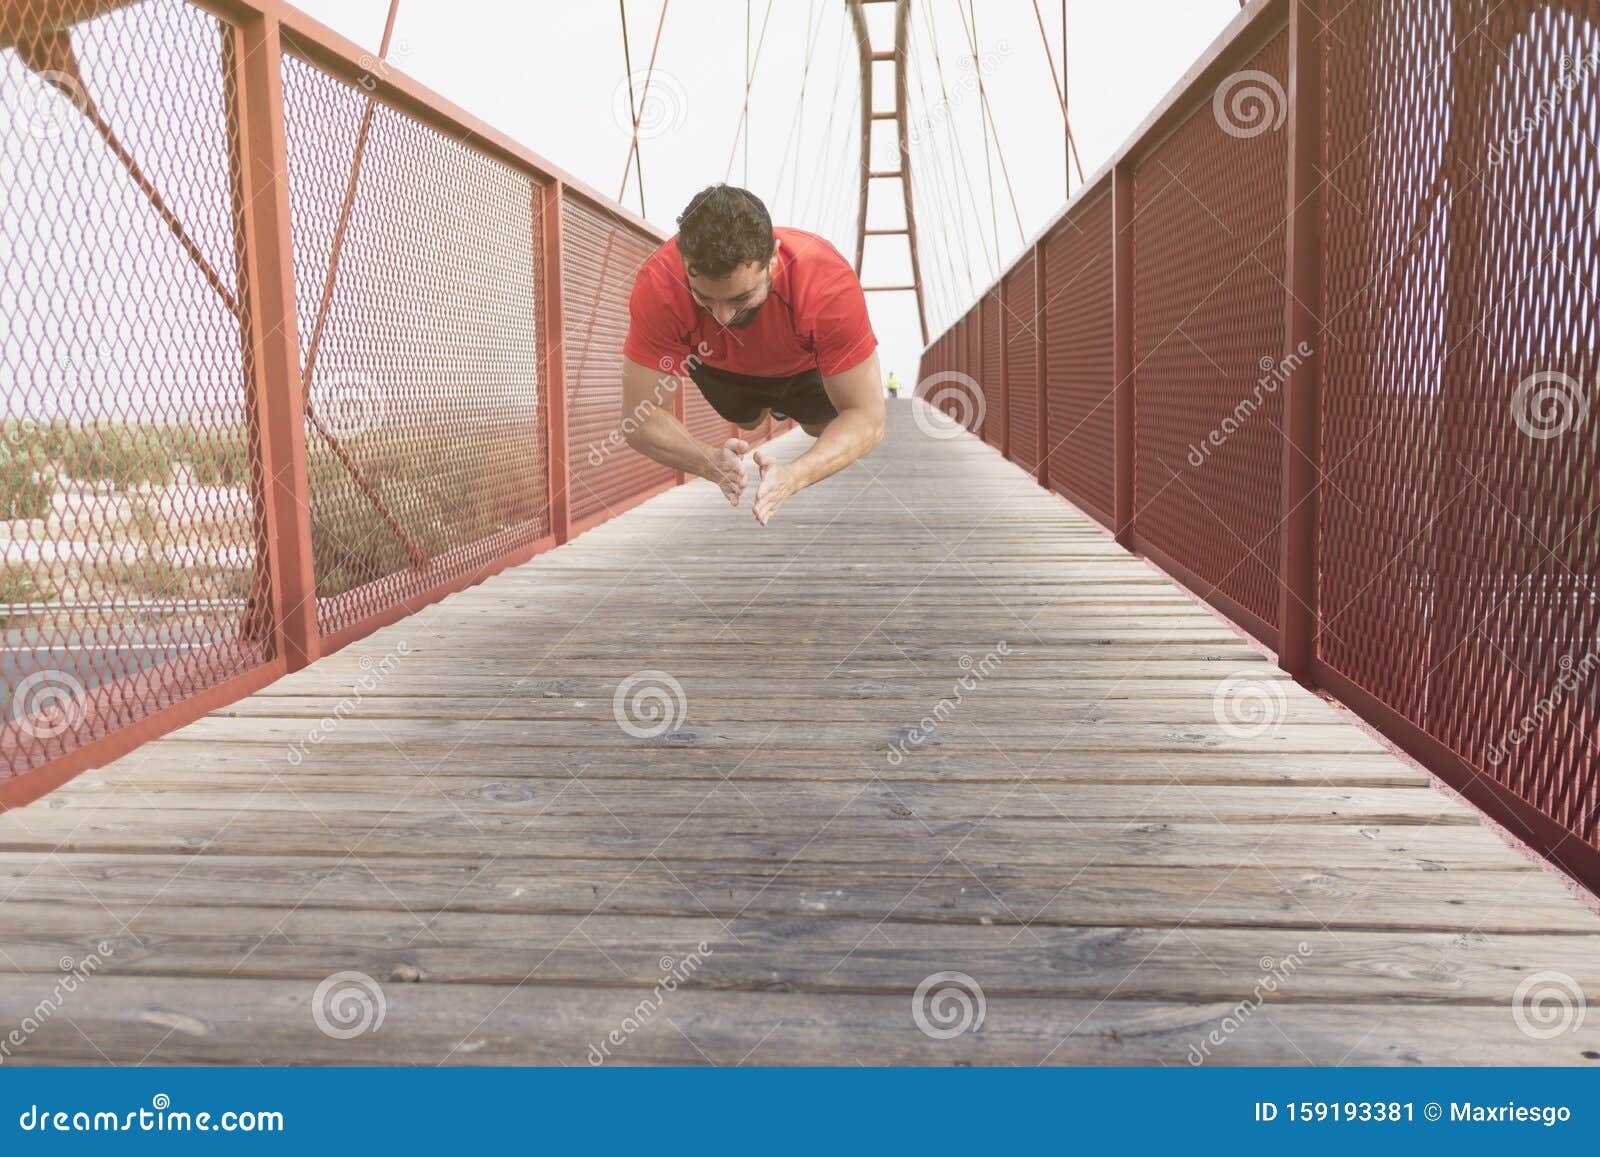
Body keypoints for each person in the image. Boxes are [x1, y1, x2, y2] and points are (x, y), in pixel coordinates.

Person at [620, 184, 886, 526]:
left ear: (773, 256)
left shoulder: (826, 282)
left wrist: (793, 476)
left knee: (820, 427)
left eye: (739, 298)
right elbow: (638, 419)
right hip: (721, 367)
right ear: (684, 263)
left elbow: (868, 418)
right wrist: (711, 462)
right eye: (704, 298)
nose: (722, 318)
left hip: (803, 366)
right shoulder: (659, 284)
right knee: (747, 420)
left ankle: (789, 407)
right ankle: (762, 408)